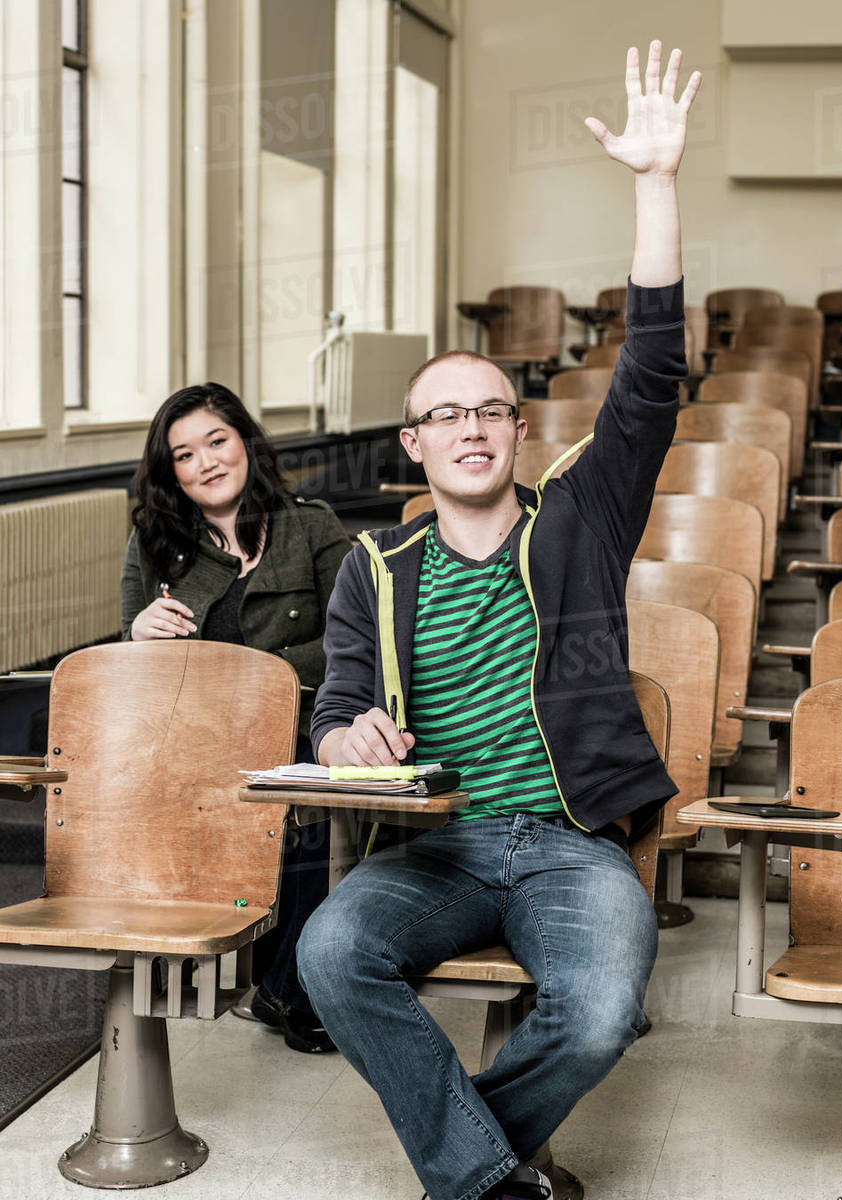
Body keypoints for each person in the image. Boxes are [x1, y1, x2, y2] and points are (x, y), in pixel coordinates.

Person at [299, 40, 701, 1200]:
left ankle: (467, 1171)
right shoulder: (375, 566)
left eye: (490, 409)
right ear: (412, 444)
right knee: (330, 953)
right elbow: (335, 705)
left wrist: (655, 183)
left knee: (600, 1013)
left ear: (519, 432)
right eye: (445, 415)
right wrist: (342, 739)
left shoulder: (580, 517)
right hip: (434, 846)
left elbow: (650, 377)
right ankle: (496, 1181)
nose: (470, 428)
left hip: (570, 845)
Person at [121, 380, 351, 1053]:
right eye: (185, 455)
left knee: (304, 805)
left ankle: (291, 990)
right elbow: (125, 660)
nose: (206, 462)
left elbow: (352, 637)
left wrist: (264, 676)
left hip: (301, 725)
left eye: (216, 441)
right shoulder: (154, 542)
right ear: (171, 472)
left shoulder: (311, 524)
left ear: (245, 442)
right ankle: (256, 978)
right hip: (198, 735)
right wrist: (138, 635)